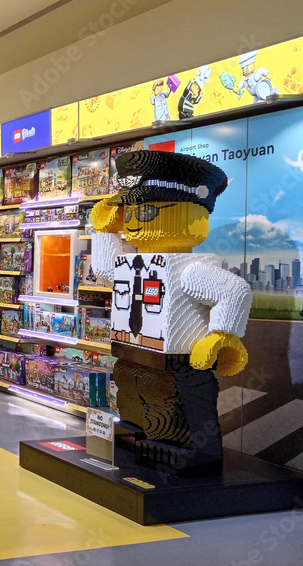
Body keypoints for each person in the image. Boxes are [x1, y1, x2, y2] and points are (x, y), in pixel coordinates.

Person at [91, 150, 252, 475]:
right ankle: (137, 434)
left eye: (146, 212)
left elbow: (235, 290)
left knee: (174, 407)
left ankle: (181, 450)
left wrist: (222, 335)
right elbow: (104, 269)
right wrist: (104, 231)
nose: (134, 223)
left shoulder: (189, 270)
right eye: (131, 213)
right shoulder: (132, 263)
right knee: (133, 397)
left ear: (195, 215)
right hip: (132, 352)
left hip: (177, 361)